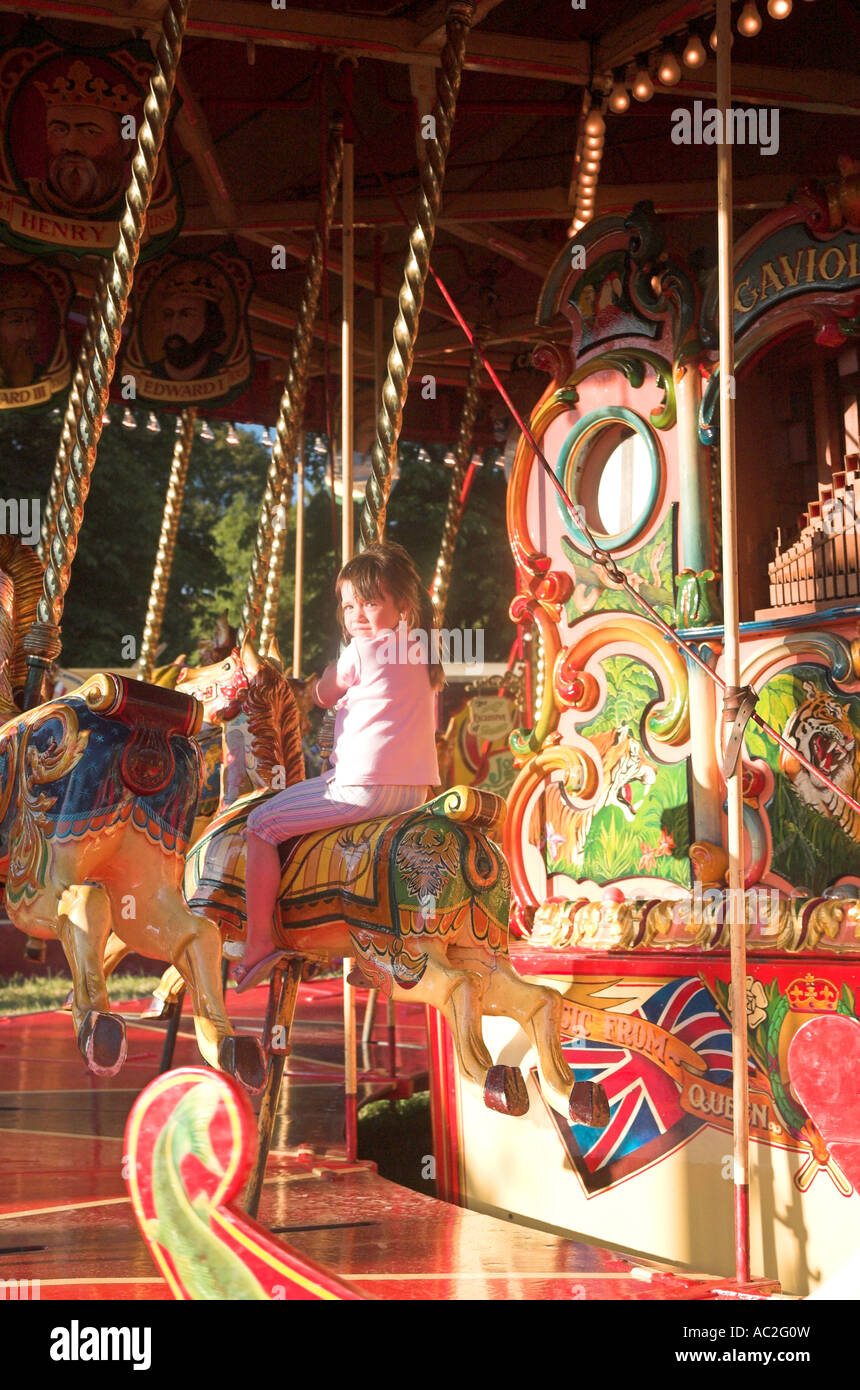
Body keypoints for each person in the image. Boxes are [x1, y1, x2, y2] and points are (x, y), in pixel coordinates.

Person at [233, 541, 443, 991]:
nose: (357, 616)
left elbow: (323, 692)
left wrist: (318, 691)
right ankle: (368, 948)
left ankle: (259, 940)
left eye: (370, 603)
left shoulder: (361, 652)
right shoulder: (425, 653)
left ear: (402, 605)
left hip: (362, 787)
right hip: (416, 792)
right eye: (349, 606)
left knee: (260, 824)